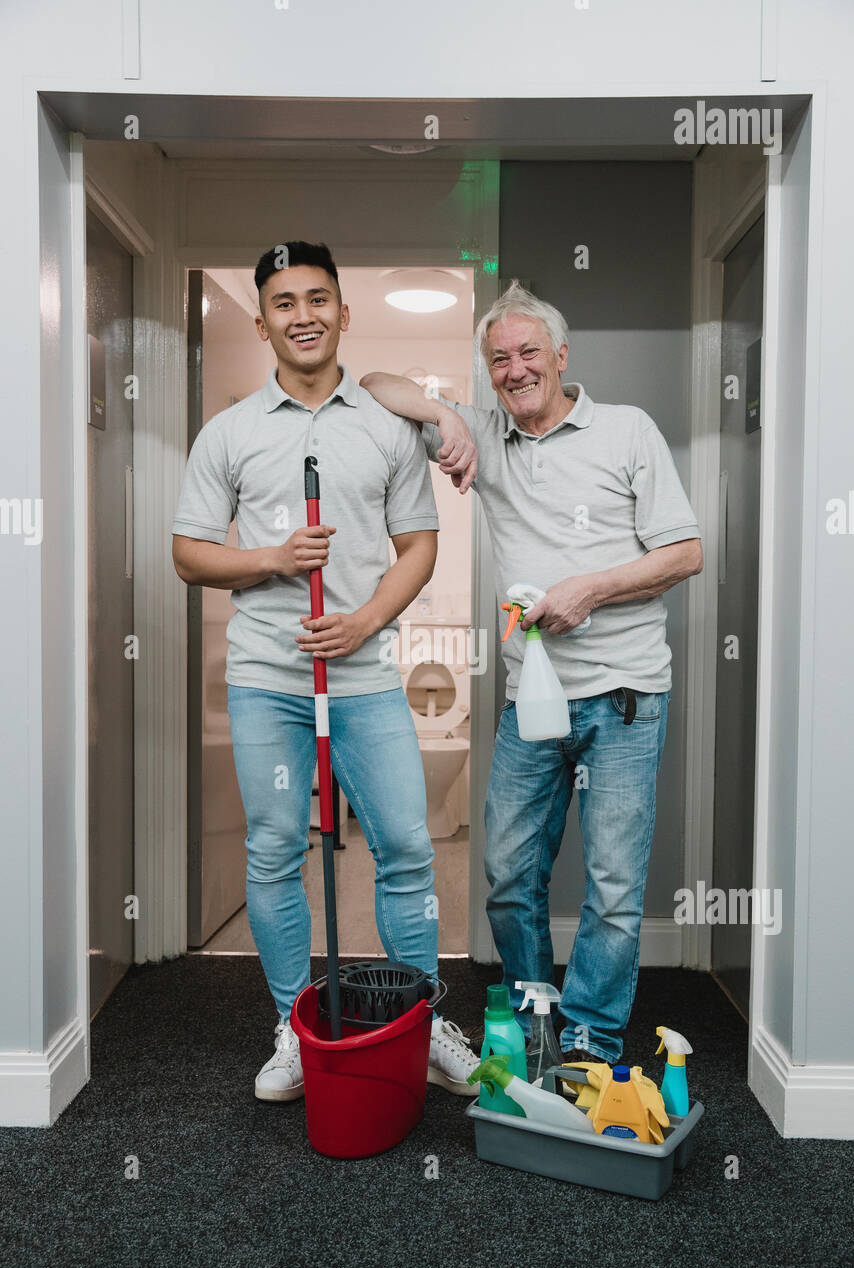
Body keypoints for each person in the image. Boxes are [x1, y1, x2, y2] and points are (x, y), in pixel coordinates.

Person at [361, 280, 703, 1065]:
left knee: (613, 889)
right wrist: (445, 414)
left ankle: (589, 1039)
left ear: (561, 355)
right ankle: (533, 1018)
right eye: (498, 360)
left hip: (624, 697)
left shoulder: (626, 431)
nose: (514, 370)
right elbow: (375, 384)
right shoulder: (484, 435)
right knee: (509, 872)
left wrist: (592, 589)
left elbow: (685, 552)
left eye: (527, 353)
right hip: (530, 702)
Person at [171, 241, 480, 1100]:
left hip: (369, 677)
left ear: (343, 313)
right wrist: (272, 557)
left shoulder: (387, 423)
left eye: (318, 298)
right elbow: (188, 554)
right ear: (263, 319)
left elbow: (420, 546)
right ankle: (294, 1027)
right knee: (274, 849)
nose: (301, 314)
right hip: (267, 678)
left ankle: (418, 1024)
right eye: (282, 302)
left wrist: (367, 621)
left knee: (409, 848)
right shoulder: (227, 433)